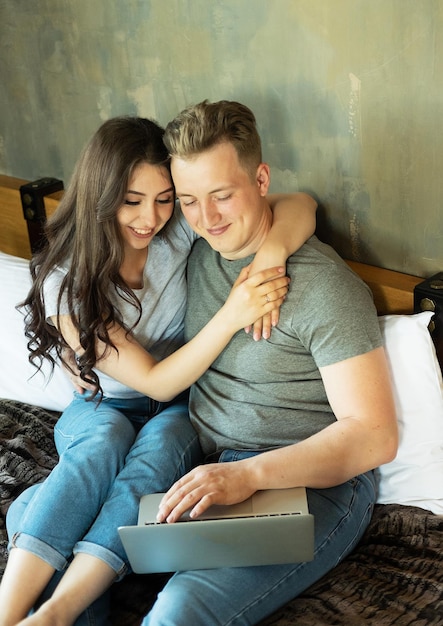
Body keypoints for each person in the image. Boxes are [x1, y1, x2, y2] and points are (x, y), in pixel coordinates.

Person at [0, 115, 317, 626]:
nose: (151, 217)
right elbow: (156, 377)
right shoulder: (69, 279)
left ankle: (57, 608)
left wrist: (271, 257)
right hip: (106, 403)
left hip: (174, 409)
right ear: (102, 195)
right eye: (132, 200)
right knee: (103, 444)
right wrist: (233, 313)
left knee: (154, 462)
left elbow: (302, 205)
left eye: (165, 198)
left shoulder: (177, 238)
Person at [138, 100, 399, 625]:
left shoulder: (325, 288)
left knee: (182, 611)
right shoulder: (197, 246)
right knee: (87, 556)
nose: (206, 219)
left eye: (222, 196)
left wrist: (249, 475)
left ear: (261, 180)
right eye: (188, 200)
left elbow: (374, 436)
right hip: (208, 456)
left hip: (310, 480)